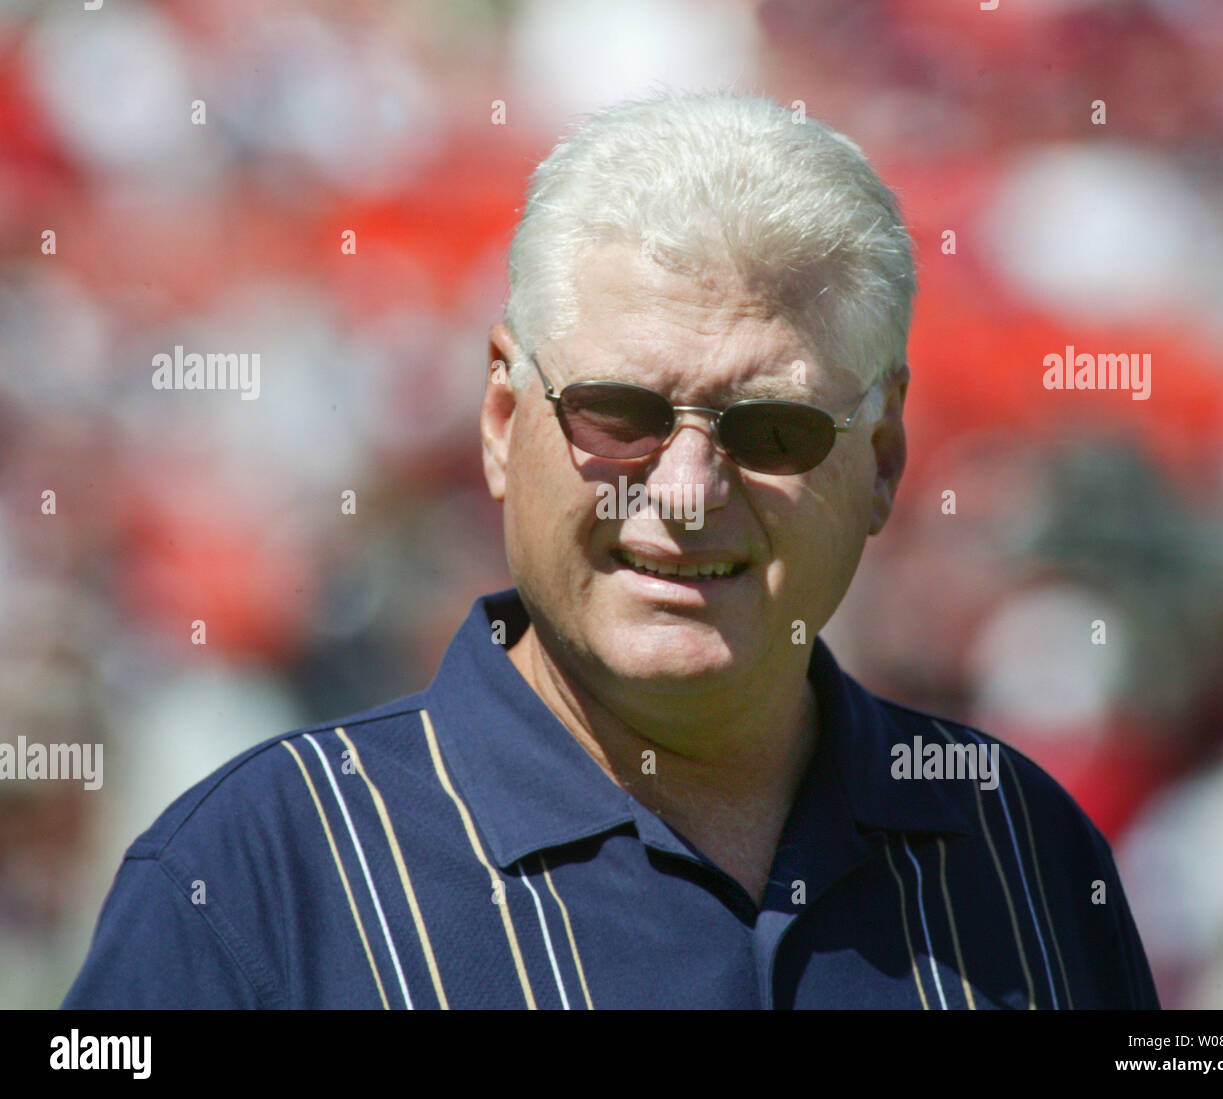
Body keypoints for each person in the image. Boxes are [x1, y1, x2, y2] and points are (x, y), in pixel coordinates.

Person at [63, 91, 1158, 1009]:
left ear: (879, 460)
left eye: (772, 429)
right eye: (618, 414)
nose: (684, 492)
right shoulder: (253, 875)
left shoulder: (1024, 852)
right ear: (502, 420)